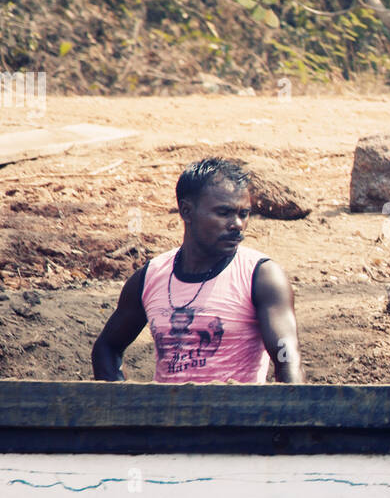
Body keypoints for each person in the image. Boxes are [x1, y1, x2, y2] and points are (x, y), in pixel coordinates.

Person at [92, 157, 305, 383]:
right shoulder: (150, 277)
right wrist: (121, 408)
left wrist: (290, 410)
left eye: (244, 214)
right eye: (224, 213)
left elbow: (287, 358)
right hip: (167, 416)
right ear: (186, 211)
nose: (237, 224)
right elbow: (106, 348)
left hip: (237, 416)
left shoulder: (261, 276)